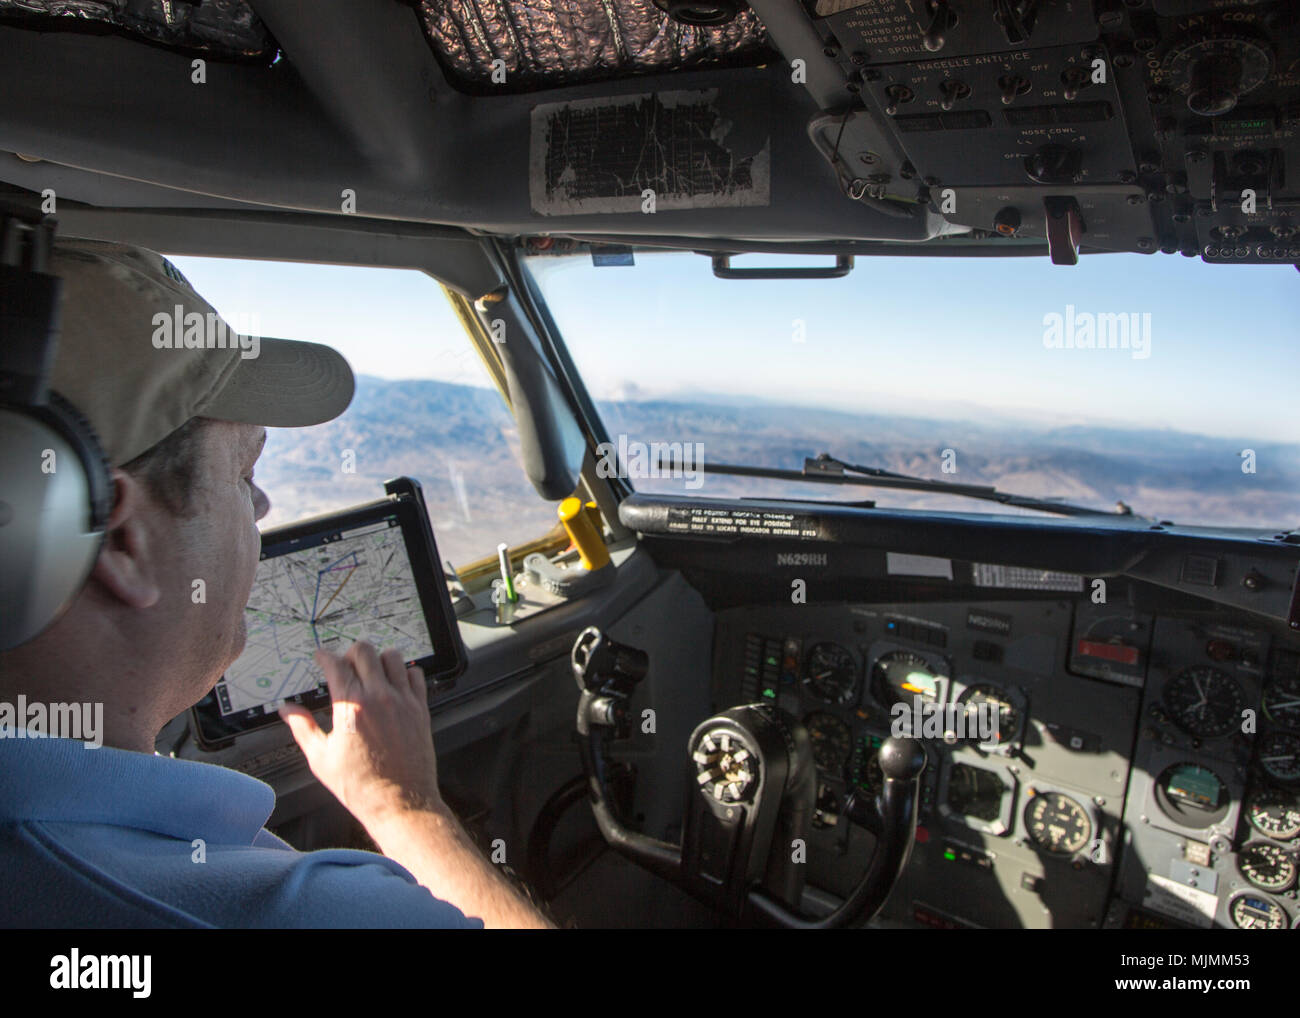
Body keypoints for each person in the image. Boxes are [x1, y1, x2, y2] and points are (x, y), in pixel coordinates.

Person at [0, 238, 552, 929]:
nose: (261, 509)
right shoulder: (305, 915)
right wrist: (403, 805)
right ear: (121, 541)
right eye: (242, 474)